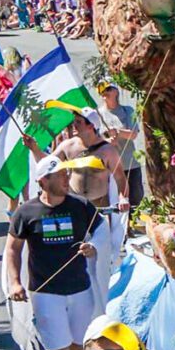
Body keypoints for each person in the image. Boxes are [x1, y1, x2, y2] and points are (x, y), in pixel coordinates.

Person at [7, 154, 100, 350]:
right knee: (57, 347)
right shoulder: (25, 212)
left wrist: (94, 248)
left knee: (77, 344)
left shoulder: (81, 206)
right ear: (43, 181)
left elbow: (102, 231)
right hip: (45, 292)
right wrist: (15, 281)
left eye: (66, 173)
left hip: (80, 288)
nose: (66, 178)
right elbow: (12, 249)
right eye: (60, 175)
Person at [49, 111, 130, 304]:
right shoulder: (68, 146)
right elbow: (48, 165)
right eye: (74, 122)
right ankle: (70, 293)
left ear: (90, 126)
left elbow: (120, 177)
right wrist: (34, 149)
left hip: (98, 206)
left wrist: (122, 197)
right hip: (74, 206)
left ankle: (101, 293)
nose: (74, 126)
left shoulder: (107, 150)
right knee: (71, 248)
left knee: (98, 251)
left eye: (78, 123)